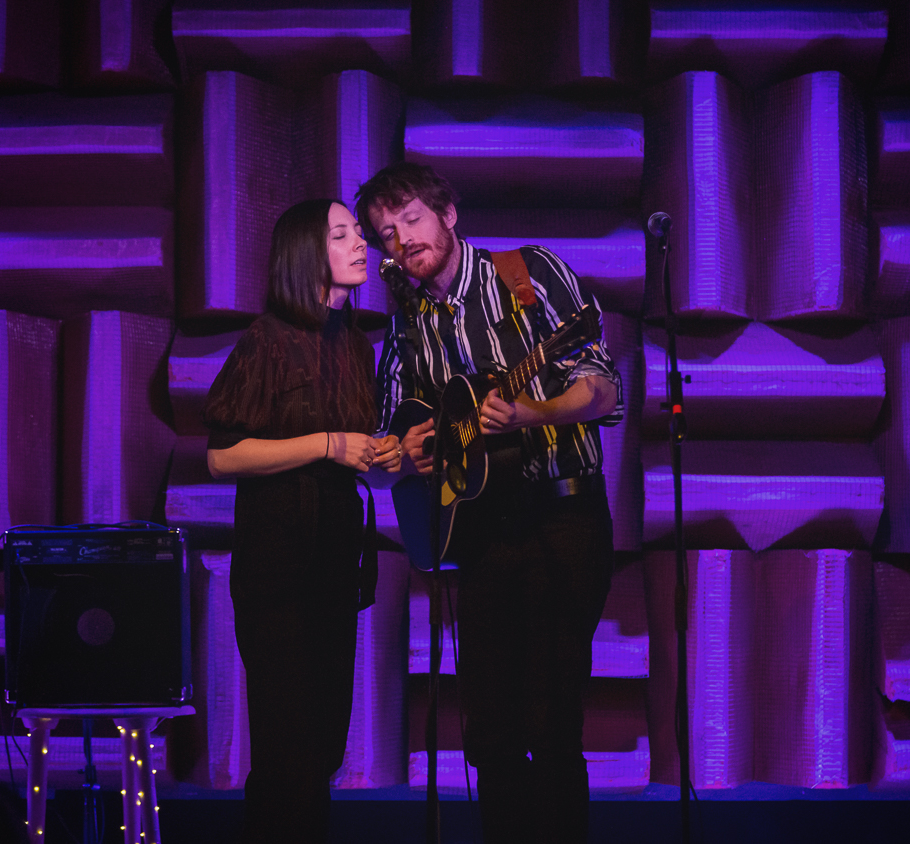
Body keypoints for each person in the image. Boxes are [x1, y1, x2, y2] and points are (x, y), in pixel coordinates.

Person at [356, 162, 621, 844]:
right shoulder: (408, 325)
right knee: (492, 729)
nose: (402, 240)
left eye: (411, 219)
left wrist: (532, 414)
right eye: (387, 233)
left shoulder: (528, 275)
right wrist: (412, 447)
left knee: (552, 720)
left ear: (447, 214)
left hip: (563, 518)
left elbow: (602, 387)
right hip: (479, 532)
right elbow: (392, 436)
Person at [202, 198, 402, 844]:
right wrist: (326, 444)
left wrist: (383, 454)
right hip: (278, 569)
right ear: (305, 253)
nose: (361, 244)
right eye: (342, 234)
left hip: (335, 565)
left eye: (358, 233)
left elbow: (358, 452)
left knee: (321, 749)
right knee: (286, 751)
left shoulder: (357, 345)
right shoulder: (267, 339)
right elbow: (222, 456)